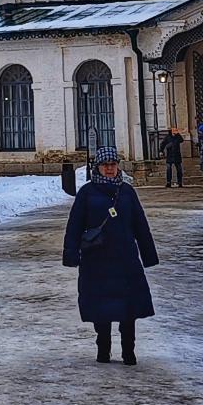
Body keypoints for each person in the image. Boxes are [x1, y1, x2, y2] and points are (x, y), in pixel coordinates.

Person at [63, 147, 158, 364]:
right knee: (101, 307)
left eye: (113, 165)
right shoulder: (87, 193)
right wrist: (71, 254)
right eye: (105, 165)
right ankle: (103, 349)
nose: (109, 169)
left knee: (128, 308)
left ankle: (128, 351)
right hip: (97, 259)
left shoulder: (127, 192)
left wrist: (148, 254)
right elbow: (74, 225)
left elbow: (140, 224)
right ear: (98, 167)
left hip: (125, 258)